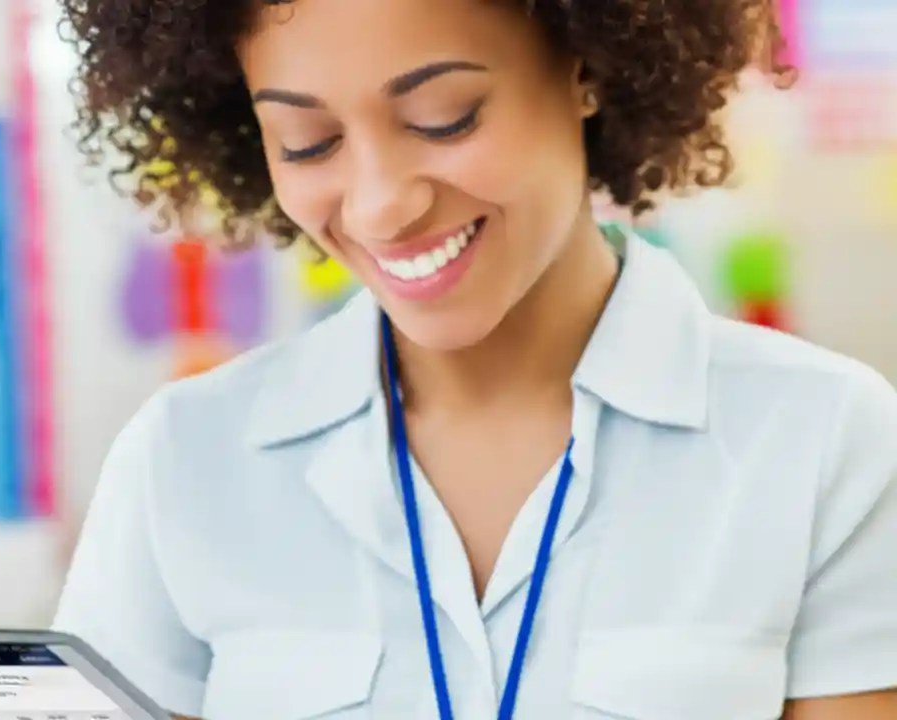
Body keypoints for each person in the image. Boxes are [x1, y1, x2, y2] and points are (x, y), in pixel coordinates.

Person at [51, 0, 897, 717]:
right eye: (308, 141)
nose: (382, 206)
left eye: (443, 117)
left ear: (586, 69)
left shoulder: (823, 439)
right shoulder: (183, 460)